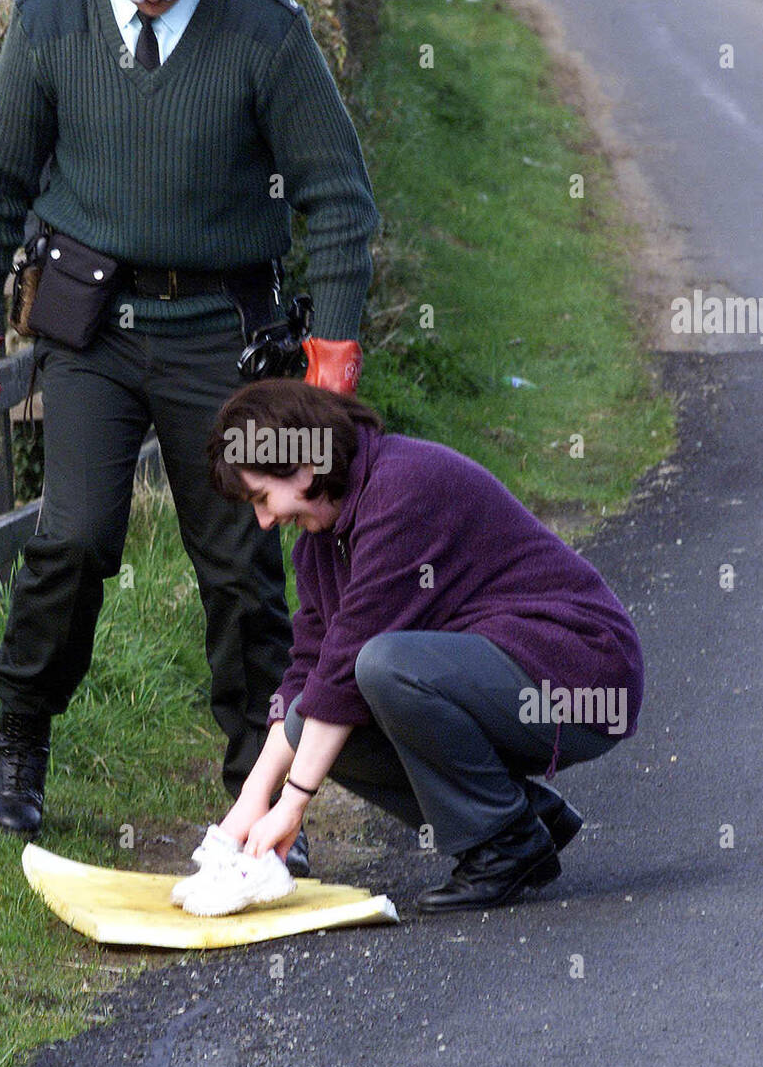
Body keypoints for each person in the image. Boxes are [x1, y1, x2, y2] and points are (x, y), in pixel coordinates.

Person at [0, 0, 379, 871]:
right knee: (73, 539)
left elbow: (338, 202)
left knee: (241, 564)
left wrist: (332, 352)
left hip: (224, 330)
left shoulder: (265, 33)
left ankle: (256, 799)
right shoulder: (50, 24)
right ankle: (19, 741)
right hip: (90, 327)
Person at [204, 378, 644, 912]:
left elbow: (349, 662)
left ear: (302, 467)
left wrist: (293, 803)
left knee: (384, 666)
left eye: (261, 498)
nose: (264, 520)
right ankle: (522, 817)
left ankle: (504, 843)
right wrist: (251, 802)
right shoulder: (323, 543)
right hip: (502, 677)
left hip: (579, 672)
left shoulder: (402, 489)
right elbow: (310, 670)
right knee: (305, 722)